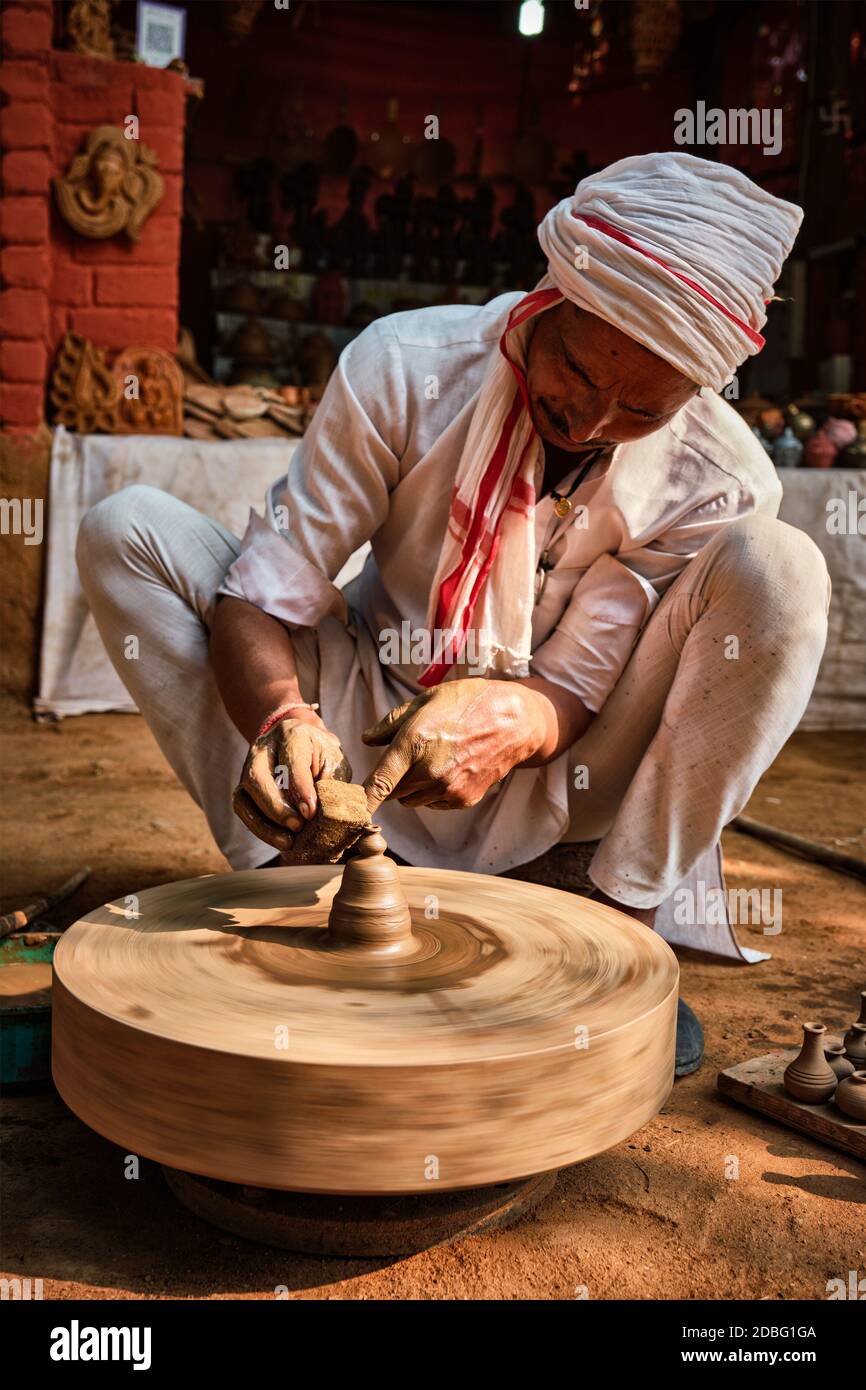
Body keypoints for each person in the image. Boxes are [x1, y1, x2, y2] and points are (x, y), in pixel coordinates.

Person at [77, 154, 830, 1076]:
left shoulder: (715, 476)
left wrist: (509, 720)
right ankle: (297, 872)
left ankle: (617, 937)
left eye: (640, 408)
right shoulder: (406, 367)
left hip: (569, 768)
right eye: (576, 371)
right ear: (552, 297)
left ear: (695, 393)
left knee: (782, 573)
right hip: (366, 714)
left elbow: (577, 684)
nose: (589, 422)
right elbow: (264, 592)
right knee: (128, 529)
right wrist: (282, 717)